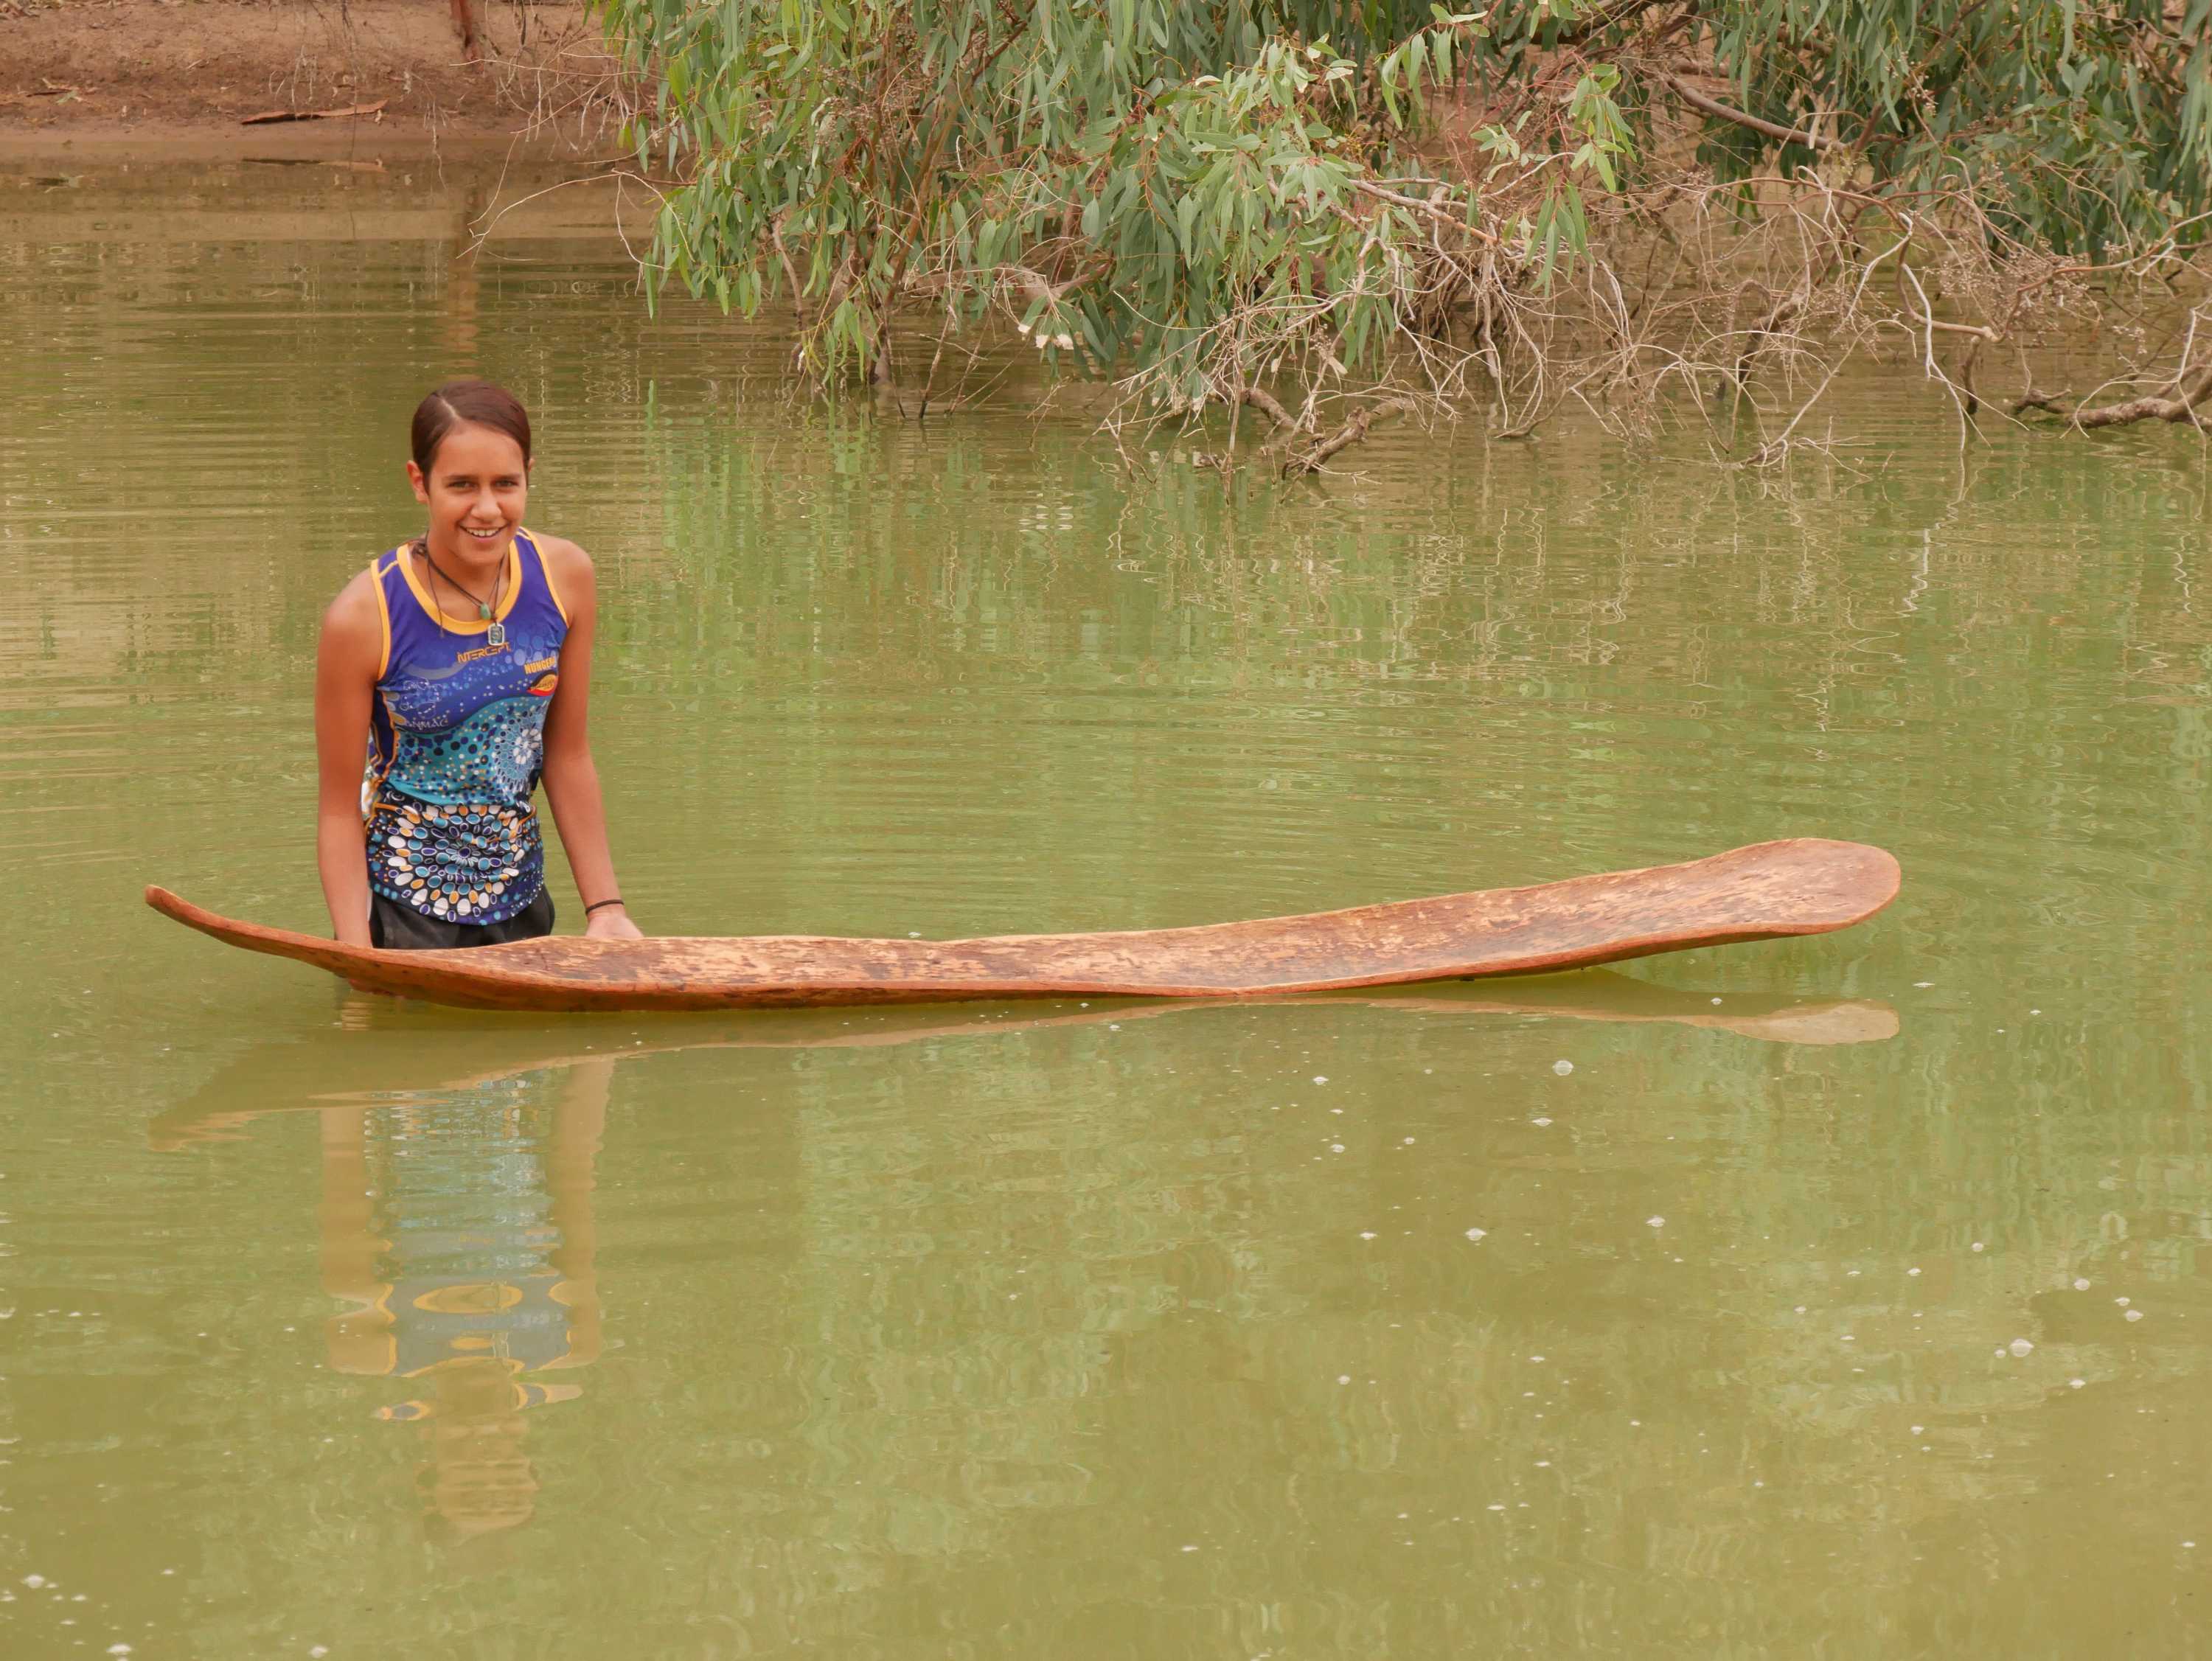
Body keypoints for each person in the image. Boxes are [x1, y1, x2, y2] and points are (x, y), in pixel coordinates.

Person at [315, 380, 642, 950]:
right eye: (462, 484)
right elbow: (339, 811)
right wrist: (357, 952)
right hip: (403, 912)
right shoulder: (365, 616)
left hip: (523, 900)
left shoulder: (565, 578)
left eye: (505, 484)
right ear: (420, 482)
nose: (487, 509)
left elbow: (566, 754)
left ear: (528, 477)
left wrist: (606, 909)